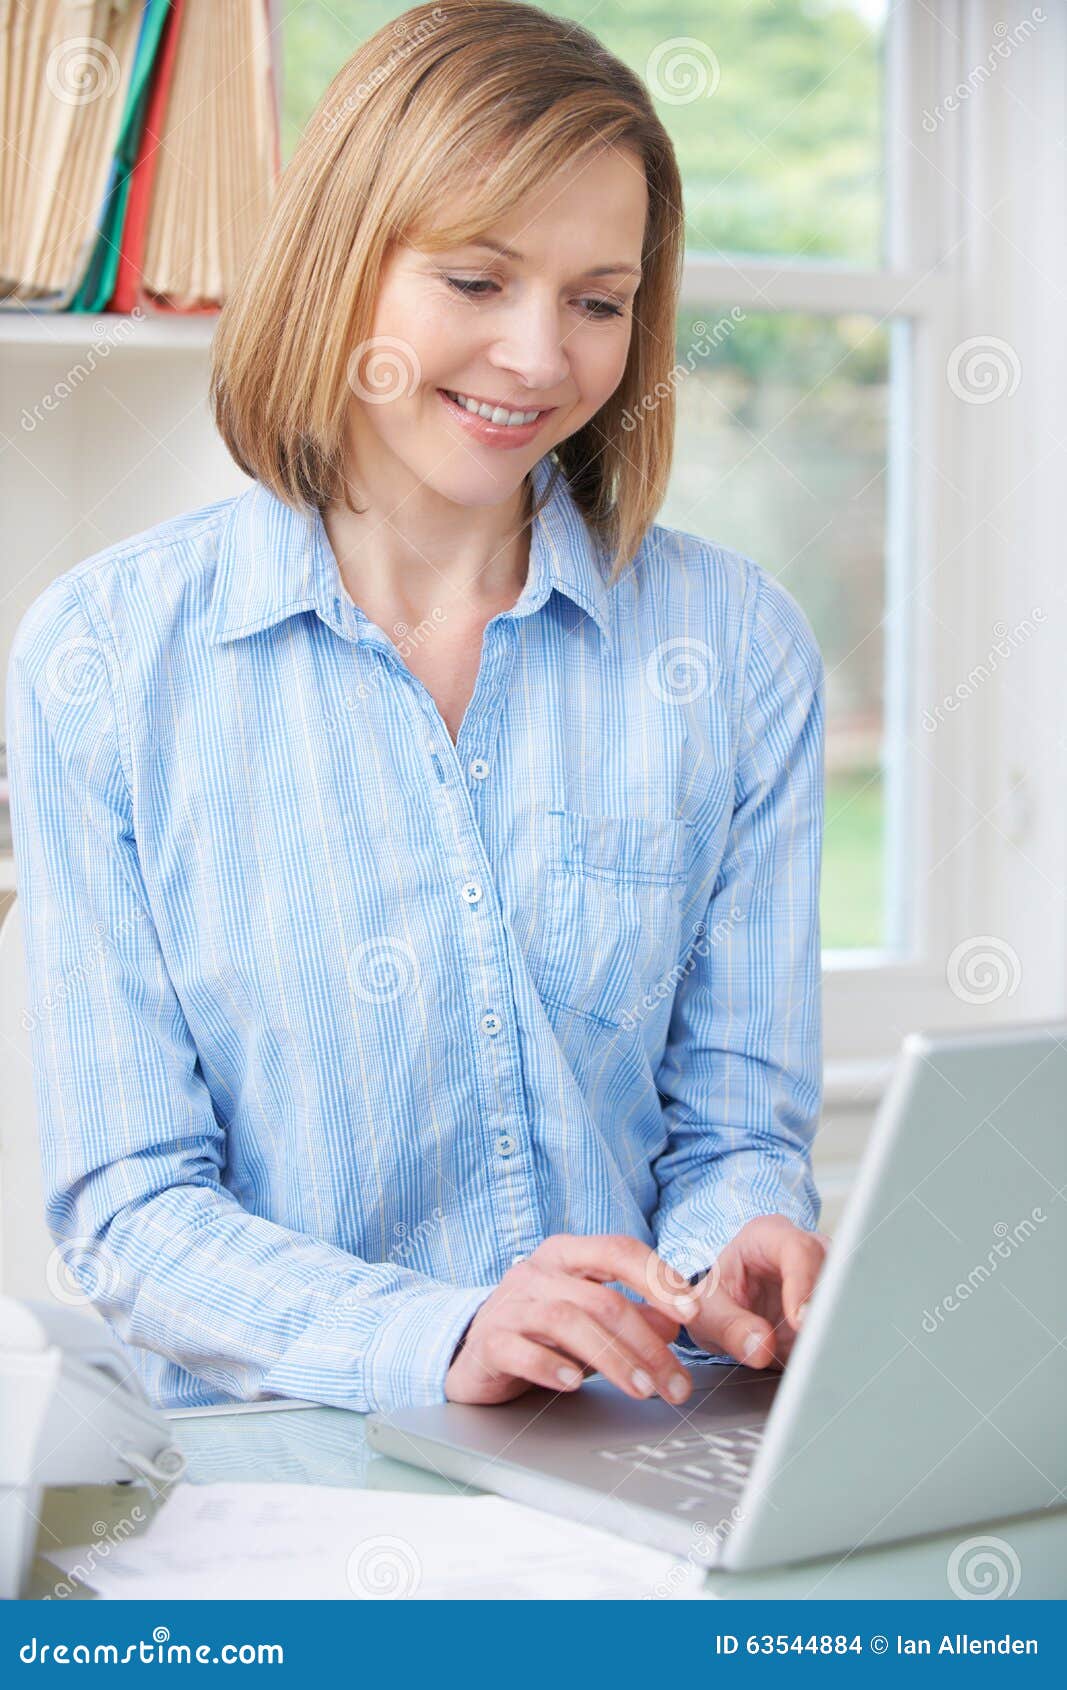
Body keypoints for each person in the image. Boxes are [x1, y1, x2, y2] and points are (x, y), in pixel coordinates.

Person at [6, 0, 829, 1416]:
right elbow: (133, 1207)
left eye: (598, 300)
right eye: (475, 280)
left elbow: (737, 1135)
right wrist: (442, 1334)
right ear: (342, 269)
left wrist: (736, 1248)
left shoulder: (735, 646)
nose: (536, 357)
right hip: (287, 1486)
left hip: (639, 1457)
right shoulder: (105, 658)